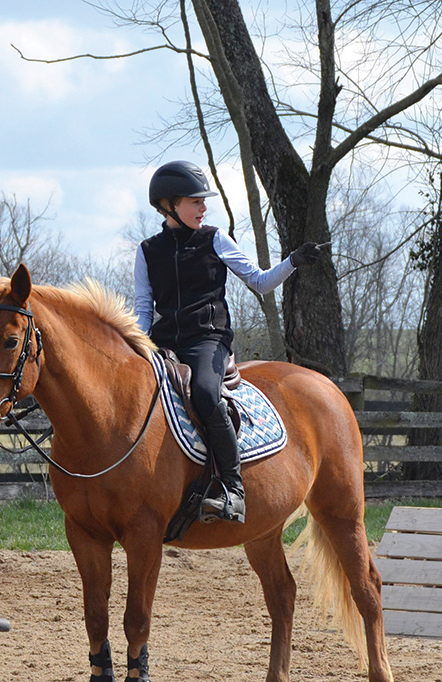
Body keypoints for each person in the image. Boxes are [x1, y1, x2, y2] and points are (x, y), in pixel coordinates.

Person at [134, 160, 322, 524]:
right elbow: (143, 309)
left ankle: (233, 489)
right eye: (195, 201)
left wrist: (293, 261)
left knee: (205, 393)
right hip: (164, 343)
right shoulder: (147, 250)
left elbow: (260, 281)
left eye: (204, 202)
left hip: (208, 340)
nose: (203, 208)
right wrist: (135, 345)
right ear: (168, 205)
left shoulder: (215, 238)